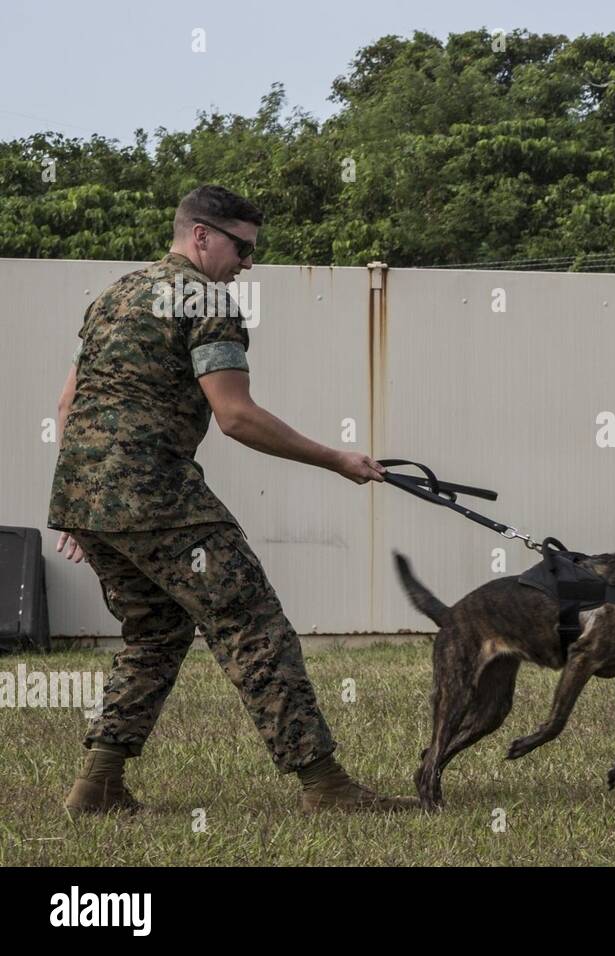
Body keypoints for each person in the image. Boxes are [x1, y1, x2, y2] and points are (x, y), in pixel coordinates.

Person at [50, 184, 416, 814]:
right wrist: (337, 459)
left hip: (86, 501)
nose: (248, 263)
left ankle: (98, 784)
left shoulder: (112, 297)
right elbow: (236, 416)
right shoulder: (207, 301)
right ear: (201, 236)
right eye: (242, 248)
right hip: (157, 500)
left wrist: (83, 501)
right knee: (253, 625)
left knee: (156, 632)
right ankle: (325, 787)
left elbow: (68, 404)